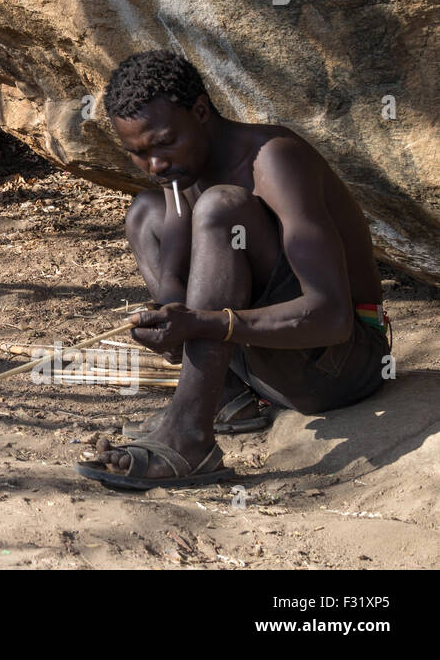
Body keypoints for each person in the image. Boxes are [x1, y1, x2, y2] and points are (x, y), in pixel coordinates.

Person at [74, 50, 391, 489]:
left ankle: (190, 437)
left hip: (341, 367)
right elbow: (174, 281)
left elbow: (333, 318)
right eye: (138, 154)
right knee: (145, 212)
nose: (156, 165)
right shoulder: (179, 175)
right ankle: (226, 398)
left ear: (201, 111)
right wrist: (166, 318)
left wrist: (200, 324)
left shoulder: (274, 160)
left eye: (165, 142)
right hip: (265, 363)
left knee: (223, 210)